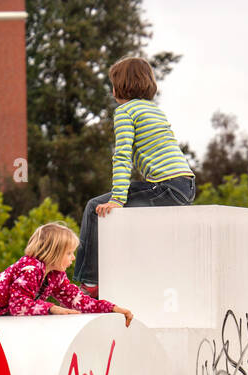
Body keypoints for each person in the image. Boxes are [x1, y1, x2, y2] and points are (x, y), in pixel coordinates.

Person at [71, 56, 195, 293]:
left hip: (167, 188)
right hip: (182, 185)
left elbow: (122, 155)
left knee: (95, 209)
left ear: (120, 86)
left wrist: (118, 198)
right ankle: (93, 279)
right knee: (98, 205)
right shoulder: (154, 110)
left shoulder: (125, 111)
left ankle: (89, 283)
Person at [0, 222, 134, 325]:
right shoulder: (31, 269)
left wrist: (111, 308)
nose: (73, 258)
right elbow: (18, 306)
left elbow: (78, 300)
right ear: (54, 253)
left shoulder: (55, 275)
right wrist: (52, 308)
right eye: (68, 253)